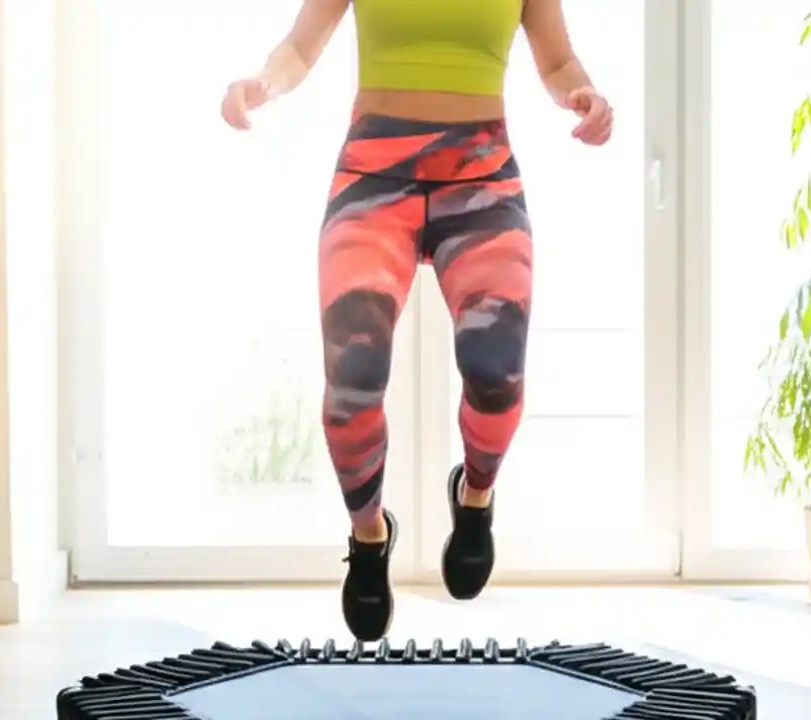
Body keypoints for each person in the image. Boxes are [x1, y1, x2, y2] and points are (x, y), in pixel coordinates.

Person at [220, 0, 612, 641]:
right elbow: (299, 47)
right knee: (353, 378)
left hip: (481, 178)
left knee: (496, 372)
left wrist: (583, 93)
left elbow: (558, 60)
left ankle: (476, 497)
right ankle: (369, 537)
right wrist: (262, 85)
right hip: (374, 179)